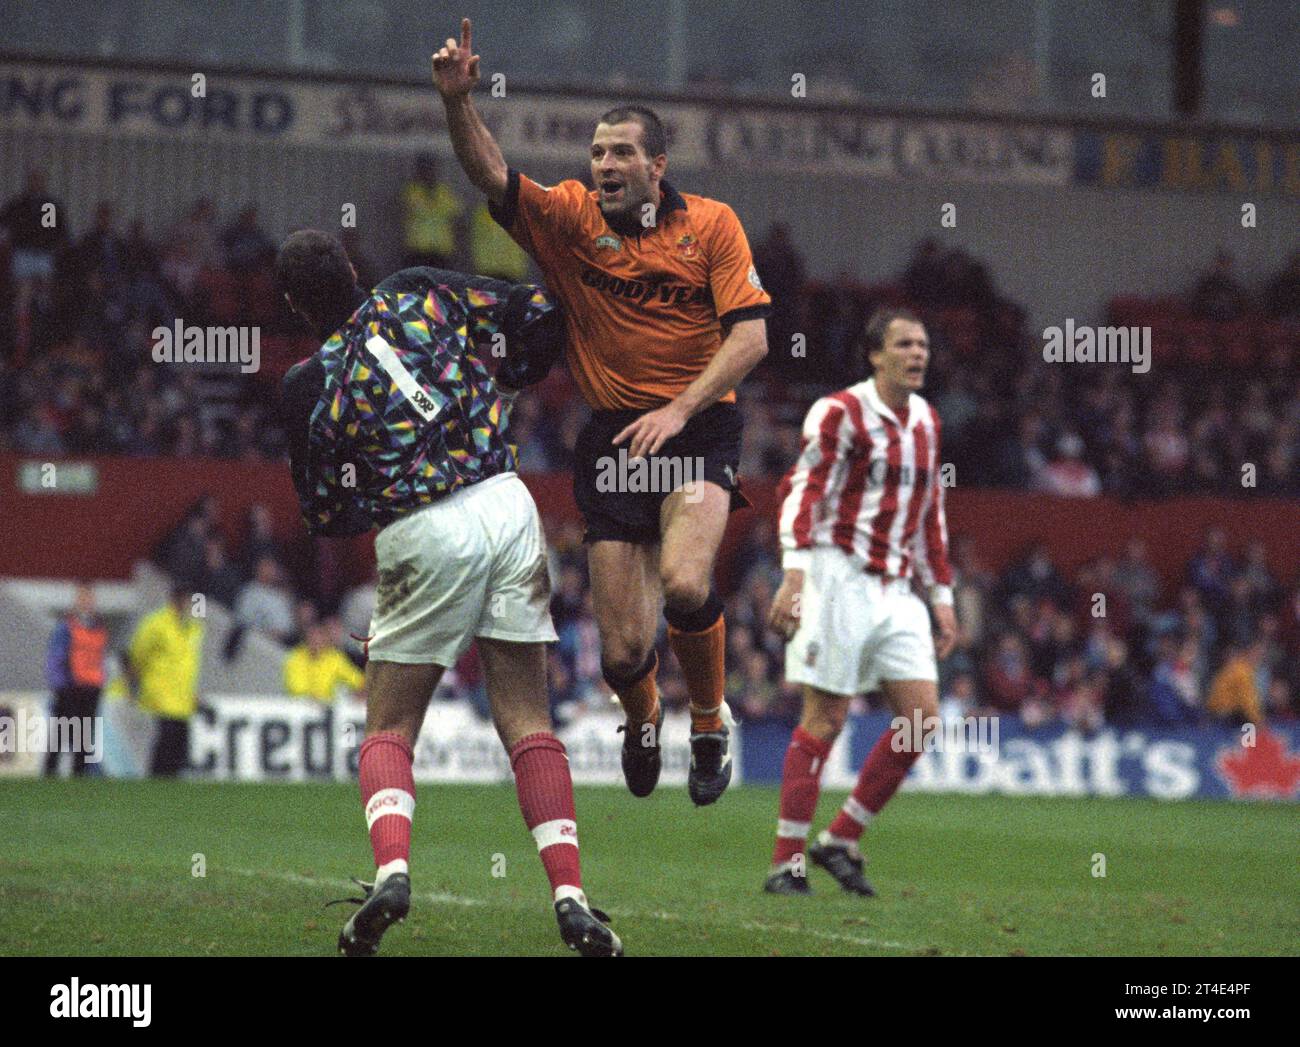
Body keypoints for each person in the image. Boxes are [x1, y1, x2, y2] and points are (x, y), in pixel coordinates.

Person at [433, 19, 772, 805]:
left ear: (658, 165)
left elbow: (751, 338)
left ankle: (712, 722)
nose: (605, 165)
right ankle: (644, 712)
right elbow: (493, 175)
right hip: (614, 434)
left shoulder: (713, 225)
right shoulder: (571, 218)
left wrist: (682, 409)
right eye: (596, 154)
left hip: (697, 426)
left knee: (688, 586)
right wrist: (457, 104)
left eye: (621, 153)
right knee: (622, 650)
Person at [276, 228, 619, 956]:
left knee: (390, 728)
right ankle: (570, 896)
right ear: (350, 261)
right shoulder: (415, 289)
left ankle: (392, 873)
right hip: (507, 500)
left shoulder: (308, 383)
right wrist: (514, 377)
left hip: (420, 527)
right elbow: (536, 312)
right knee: (528, 718)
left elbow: (323, 513)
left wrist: (384, 496)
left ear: (294, 307)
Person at [764, 309, 957, 897]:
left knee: (921, 719)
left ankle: (840, 839)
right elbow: (801, 490)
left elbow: (930, 514)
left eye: (923, 343)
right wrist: (794, 576)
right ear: (875, 355)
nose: (918, 353)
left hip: (898, 588)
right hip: (837, 576)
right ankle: (786, 862)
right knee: (827, 716)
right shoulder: (839, 412)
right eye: (905, 343)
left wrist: (942, 596)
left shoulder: (927, 420)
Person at [125, 581, 206, 777]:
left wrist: (193, 693)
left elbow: (190, 664)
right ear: (176, 599)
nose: (189, 604)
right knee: (166, 746)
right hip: (159, 696)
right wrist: (133, 685)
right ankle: (155, 787)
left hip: (182, 700)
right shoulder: (156, 623)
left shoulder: (193, 627)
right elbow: (137, 654)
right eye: (186, 600)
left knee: (179, 750)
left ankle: (167, 792)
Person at [44, 582, 108, 776]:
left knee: (85, 735)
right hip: (70, 687)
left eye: (89, 598)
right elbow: (55, 656)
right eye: (83, 598)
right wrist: (59, 684)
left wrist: (102, 680)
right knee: (62, 731)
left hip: (91, 687)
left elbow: (101, 657)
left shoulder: (99, 628)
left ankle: (79, 774)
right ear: (76, 601)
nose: (87, 602)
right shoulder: (66, 627)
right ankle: (50, 772)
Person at [400, 153, 464, 270]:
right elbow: (404, 213)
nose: (427, 173)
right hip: (418, 251)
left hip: (442, 252)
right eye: (424, 169)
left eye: (430, 169)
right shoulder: (411, 192)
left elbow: (456, 220)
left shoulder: (444, 193)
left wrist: (457, 248)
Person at [284, 620, 366, 702]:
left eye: (320, 638)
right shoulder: (295, 658)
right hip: (299, 705)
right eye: (313, 637)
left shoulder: (334, 657)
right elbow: (296, 688)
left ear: (326, 640)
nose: (317, 641)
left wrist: (360, 691)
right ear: (306, 639)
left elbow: (357, 680)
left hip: (327, 706)